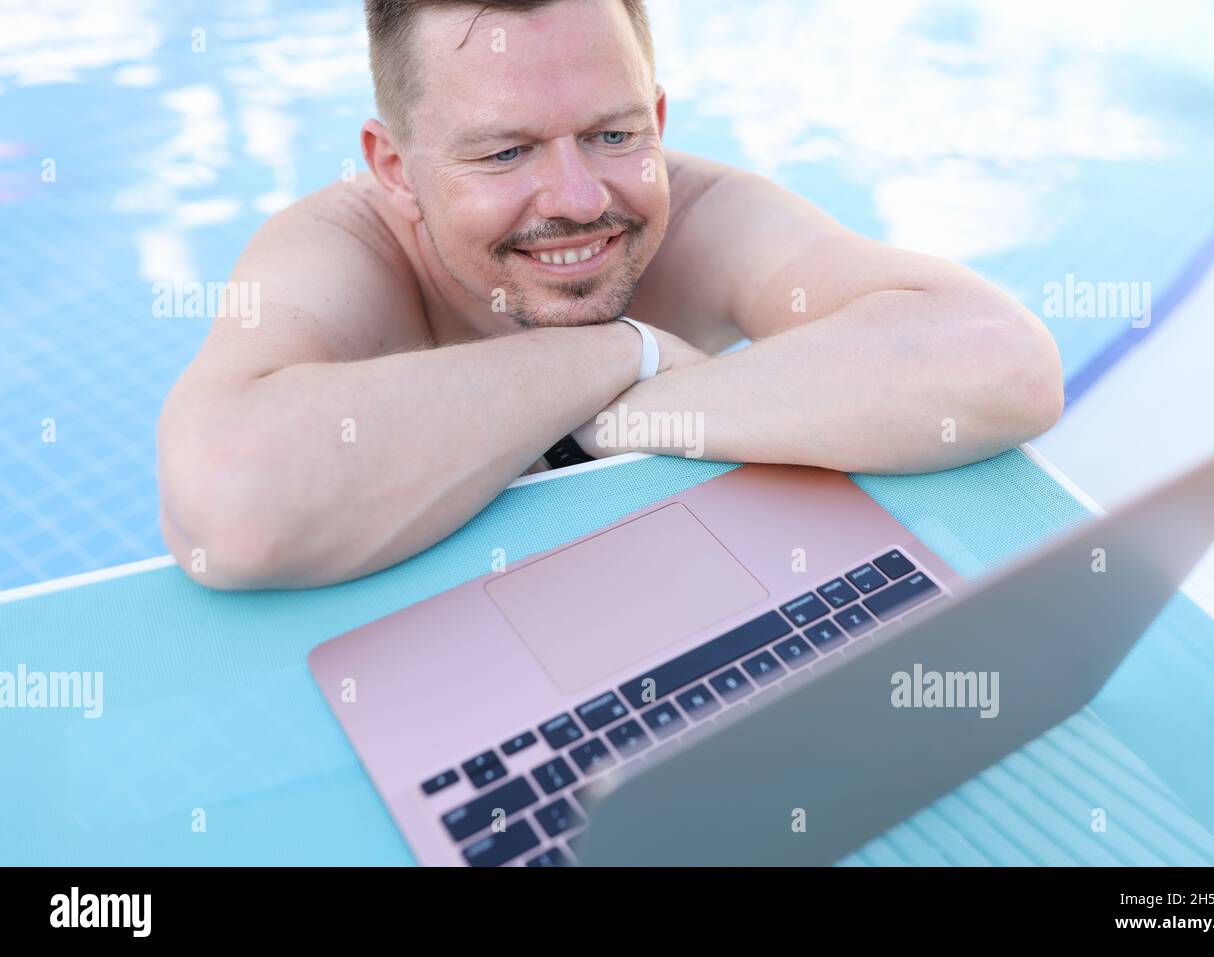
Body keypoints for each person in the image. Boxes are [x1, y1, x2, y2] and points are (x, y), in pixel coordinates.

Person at [157, 0, 1063, 589]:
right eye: (504, 152)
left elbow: (1001, 364)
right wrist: (629, 352)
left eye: (613, 133)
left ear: (658, 122)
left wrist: (613, 416)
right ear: (394, 168)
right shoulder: (342, 248)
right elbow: (230, 509)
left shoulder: (706, 213)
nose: (582, 200)